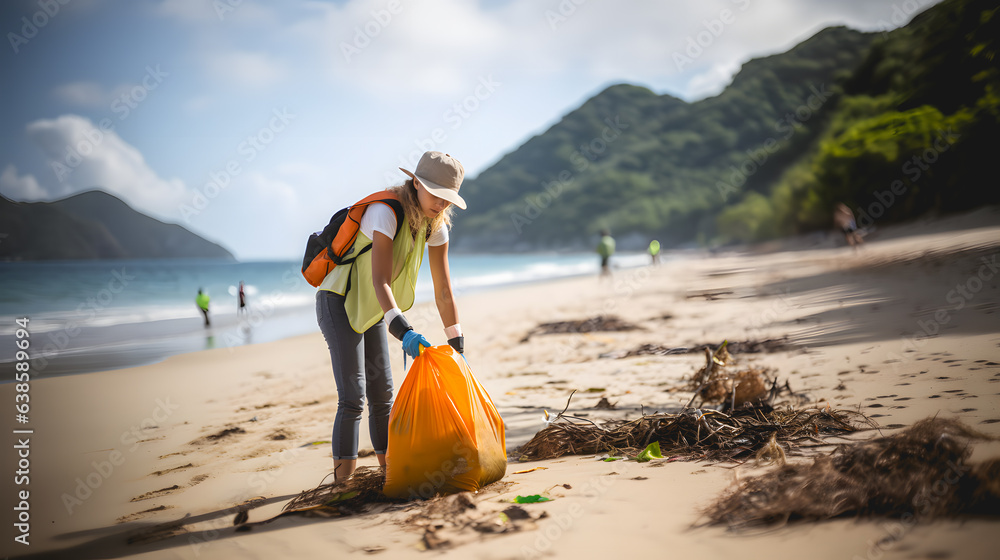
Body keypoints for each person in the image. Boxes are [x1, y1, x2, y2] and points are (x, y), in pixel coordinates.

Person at [315, 151, 467, 483]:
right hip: (338, 301)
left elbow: (443, 290)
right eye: (436, 195)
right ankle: (342, 484)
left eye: (448, 199)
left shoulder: (436, 226)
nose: (441, 204)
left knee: (383, 393)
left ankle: (388, 474)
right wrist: (404, 331)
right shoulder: (384, 212)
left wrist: (457, 343)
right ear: (416, 183)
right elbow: (380, 279)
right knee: (353, 397)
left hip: (373, 309)